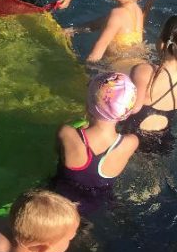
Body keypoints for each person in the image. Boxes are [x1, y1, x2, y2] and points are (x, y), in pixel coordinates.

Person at [52, 72, 138, 212]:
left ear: (88, 104)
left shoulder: (67, 132)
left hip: (58, 200)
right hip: (96, 204)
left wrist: (78, 128)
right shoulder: (131, 142)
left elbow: (57, 151)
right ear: (126, 112)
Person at [73, 0, 162, 64]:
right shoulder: (137, 11)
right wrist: (71, 31)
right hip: (137, 63)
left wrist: (85, 69)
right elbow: (97, 24)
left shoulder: (117, 14)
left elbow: (100, 46)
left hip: (118, 69)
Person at [120, 15, 177, 154]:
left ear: (163, 44)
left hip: (135, 137)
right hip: (164, 139)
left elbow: (132, 109)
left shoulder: (145, 70)